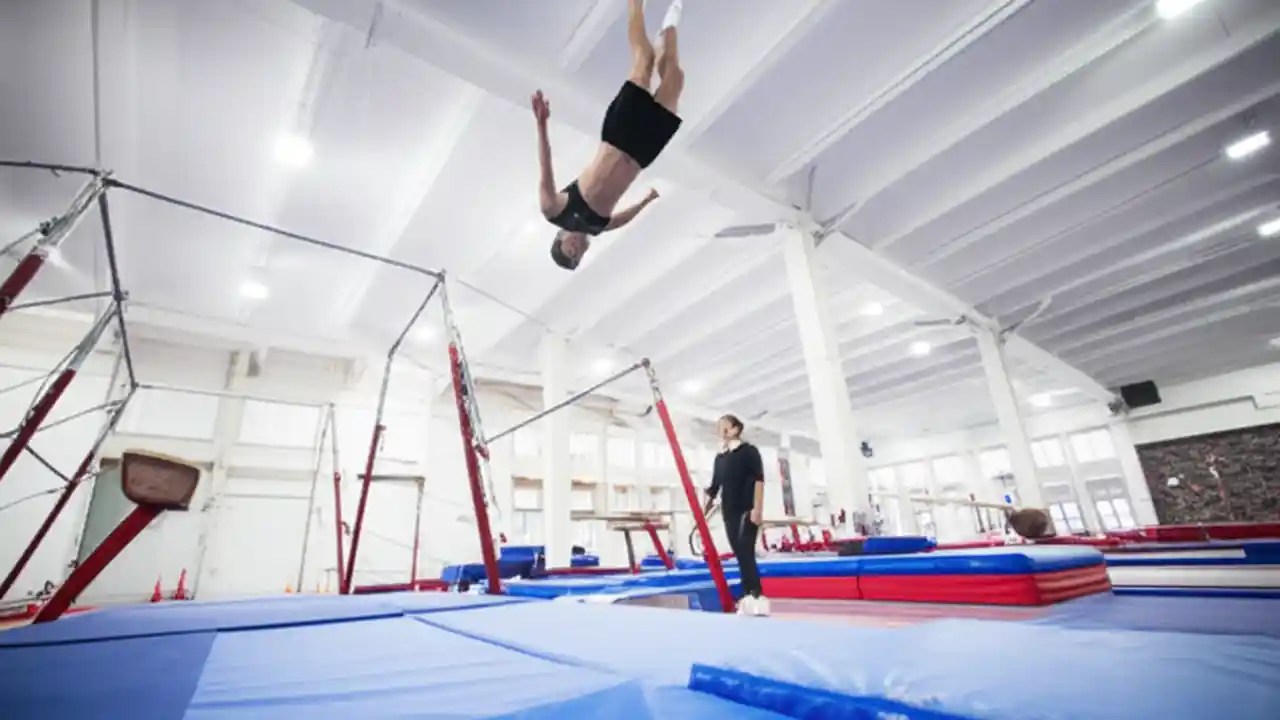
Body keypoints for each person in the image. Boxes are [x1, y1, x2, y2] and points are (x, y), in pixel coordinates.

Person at [533, 0, 686, 270]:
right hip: (643, 153)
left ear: (560, 240)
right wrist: (646, 201)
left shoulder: (554, 210)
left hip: (618, 135)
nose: (577, 251)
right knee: (674, 78)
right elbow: (623, 219)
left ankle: (635, 5)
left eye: (569, 252)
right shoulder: (598, 227)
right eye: (577, 257)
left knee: (645, 61)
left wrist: (542, 123)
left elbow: (546, 165)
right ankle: (671, 23)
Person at [704, 414, 769, 616]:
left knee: (746, 551)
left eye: (724, 426)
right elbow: (714, 488)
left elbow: (759, 480)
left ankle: (755, 594)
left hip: (747, 508)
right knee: (739, 553)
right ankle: (746, 594)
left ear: (735, 429)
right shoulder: (720, 458)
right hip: (729, 510)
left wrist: (757, 509)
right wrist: (702, 511)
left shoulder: (750, 452)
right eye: (718, 427)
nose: (720, 430)